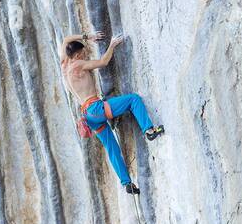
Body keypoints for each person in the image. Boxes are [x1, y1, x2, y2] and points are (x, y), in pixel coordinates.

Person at [60, 31, 164, 194]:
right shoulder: (79, 65)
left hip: (89, 117)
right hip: (96, 108)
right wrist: (112, 45)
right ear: (78, 54)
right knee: (133, 100)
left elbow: (66, 39)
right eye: (84, 53)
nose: (86, 55)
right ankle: (149, 130)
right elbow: (103, 61)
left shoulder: (65, 66)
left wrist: (87, 37)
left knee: (112, 148)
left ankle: (126, 183)